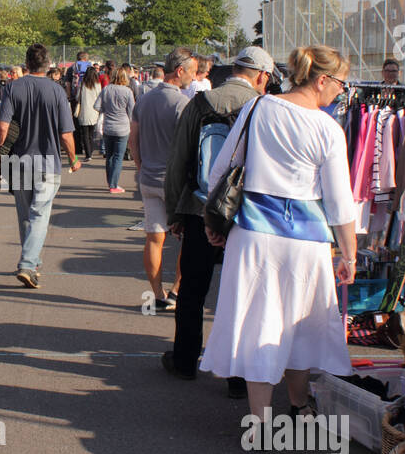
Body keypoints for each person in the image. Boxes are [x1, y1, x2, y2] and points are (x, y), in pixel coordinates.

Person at [198, 45, 357, 426]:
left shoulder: (257, 107)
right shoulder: (327, 128)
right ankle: (300, 404)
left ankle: (260, 422)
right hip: (306, 239)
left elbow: (222, 167)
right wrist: (348, 254)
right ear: (322, 80)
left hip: (252, 232)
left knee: (258, 323)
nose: (341, 91)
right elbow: (339, 201)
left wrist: (213, 221)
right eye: (340, 83)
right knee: (301, 323)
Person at [161, 46, 276, 390]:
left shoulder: (201, 103)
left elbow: (178, 162)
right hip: (247, 216)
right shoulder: (265, 108)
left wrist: (175, 212)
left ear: (234, 70)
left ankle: (185, 360)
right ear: (262, 76)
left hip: (200, 209)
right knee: (243, 294)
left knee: (193, 289)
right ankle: (239, 378)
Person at [0, 44, 80, 288]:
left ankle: (32, 261)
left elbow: (2, 126)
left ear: (26, 63)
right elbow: (65, 134)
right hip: (47, 161)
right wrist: (73, 159)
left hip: (19, 160)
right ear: (49, 64)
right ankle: (29, 264)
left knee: (25, 215)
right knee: (40, 213)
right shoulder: (57, 91)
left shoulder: (12, 87)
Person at [130, 48, 196, 312]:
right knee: (186, 239)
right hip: (175, 183)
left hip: (148, 178)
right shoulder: (182, 104)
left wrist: (140, 165)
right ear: (179, 71)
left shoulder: (144, 100)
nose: (193, 76)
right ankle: (176, 291)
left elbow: (133, 138)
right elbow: (189, 148)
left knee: (154, 239)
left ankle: (157, 293)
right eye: (191, 71)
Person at [96, 66, 135, 192]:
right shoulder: (127, 91)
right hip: (122, 127)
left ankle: (110, 182)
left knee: (110, 156)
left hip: (108, 126)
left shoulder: (106, 89)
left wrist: (106, 110)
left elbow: (97, 106)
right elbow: (132, 111)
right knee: (118, 156)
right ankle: (113, 185)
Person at [77, 66, 102, 160]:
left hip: (84, 111)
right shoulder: (98, 84)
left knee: (85, 134)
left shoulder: (82, 84)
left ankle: (88, 154)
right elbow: (99, 97)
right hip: (94, 111)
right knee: (91, 134)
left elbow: (77, 97)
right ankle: (90, 151)